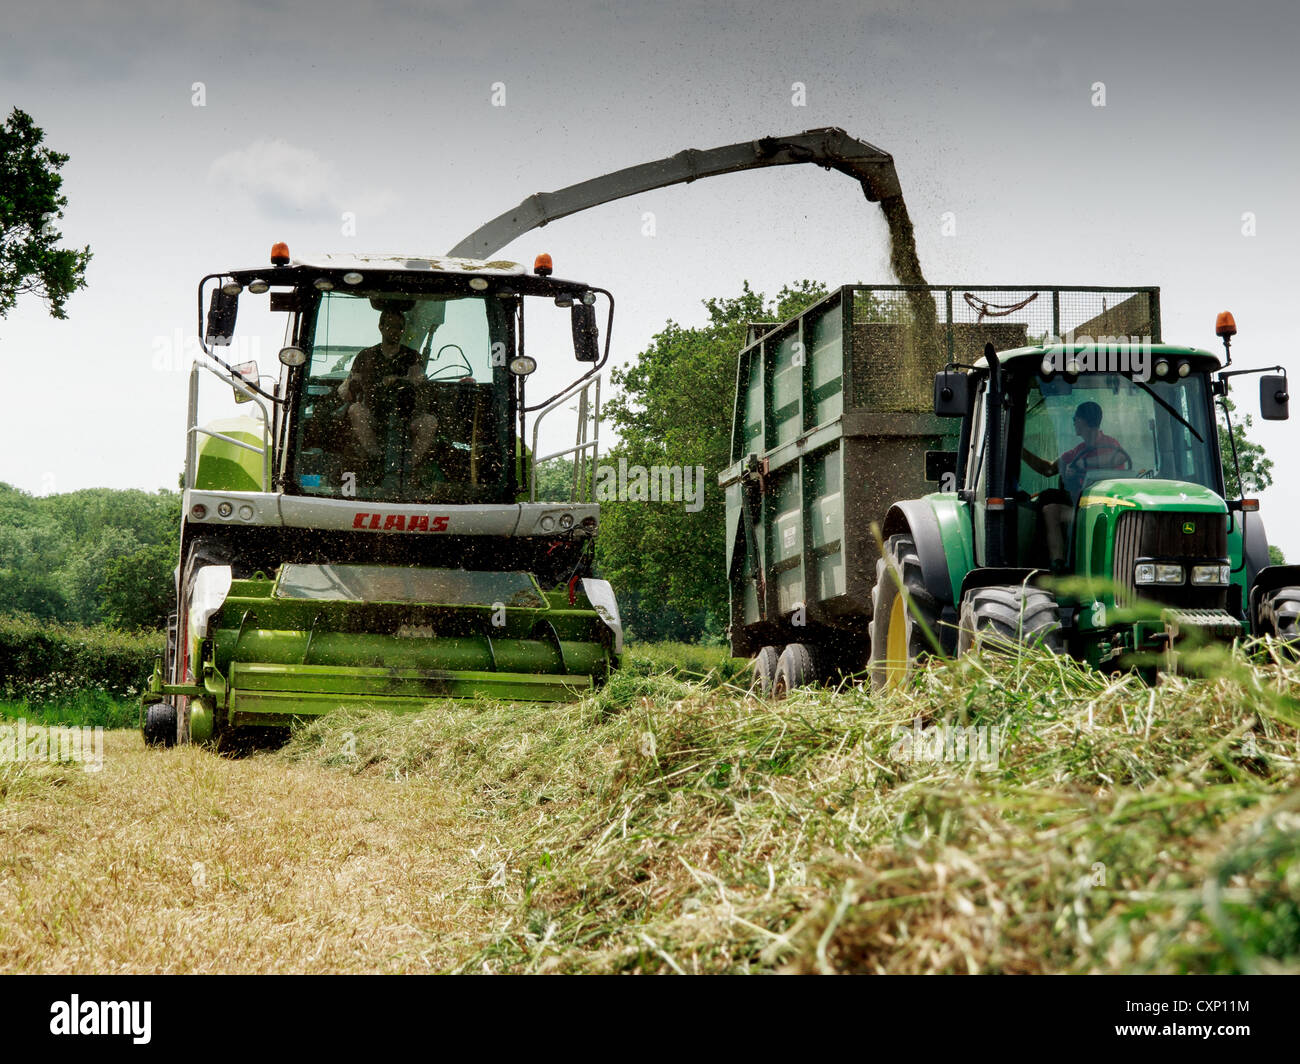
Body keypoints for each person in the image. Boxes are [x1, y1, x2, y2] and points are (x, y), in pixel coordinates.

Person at [1021, 401, 1129, 570]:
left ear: (1083, 421)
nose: (1073, 423)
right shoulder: (1078, 451)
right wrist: (1021, 452)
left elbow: (1119, 458)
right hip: (1083, 511)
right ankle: (1058, 565)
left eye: (1075, 419)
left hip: (1111, 511)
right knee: (1049, 505)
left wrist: (1082, 464)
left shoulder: (1111, 445)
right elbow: (1048, 469)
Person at [337, 308, 438, 473]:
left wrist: (400, 380)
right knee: (356, 410)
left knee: (429, 422)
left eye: (400, 327)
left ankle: (410, 467)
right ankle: (376, 459)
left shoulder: (412, 356)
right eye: (391, 326)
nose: (396, 331)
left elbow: (418, 378)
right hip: (374, 415)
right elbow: (349, 383)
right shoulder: (365, 356)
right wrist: (345, 387)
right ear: (381, 327)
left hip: (407, 418)